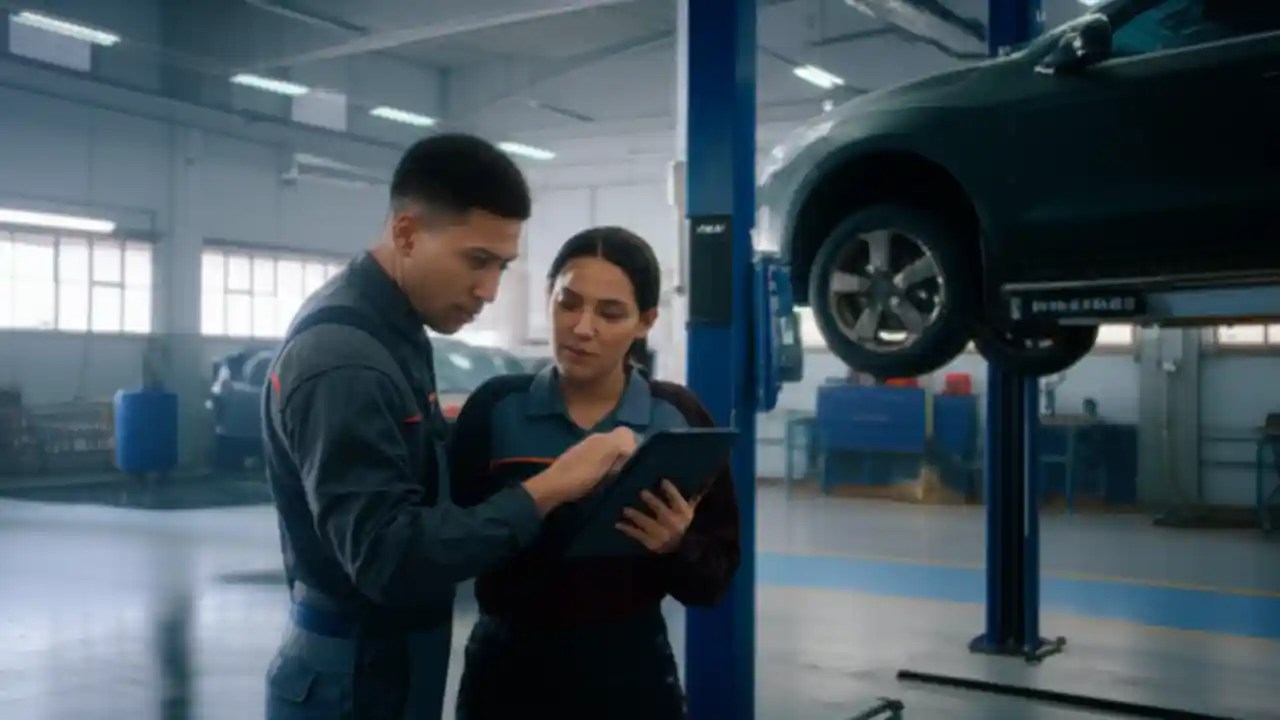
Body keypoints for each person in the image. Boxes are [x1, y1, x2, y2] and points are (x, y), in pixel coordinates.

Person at [261, 134, 637, 720]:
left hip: (391, 657)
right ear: (408, 234)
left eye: (503, 267)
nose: (489, 291)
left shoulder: (397, 330)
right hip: (355, 672)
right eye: (477, 261)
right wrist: (550, 488)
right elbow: (388, 559)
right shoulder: (347, 359)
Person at [449, 226, 741, 720]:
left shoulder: (678, 419)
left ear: (645, 322)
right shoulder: (497, 408)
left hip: (630, 672)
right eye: (568, 303)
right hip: (508, 672)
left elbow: (713, 580)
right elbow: (447, 543)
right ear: (548, 299)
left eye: (610, 313)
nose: (583, 328)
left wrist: (677, 548)